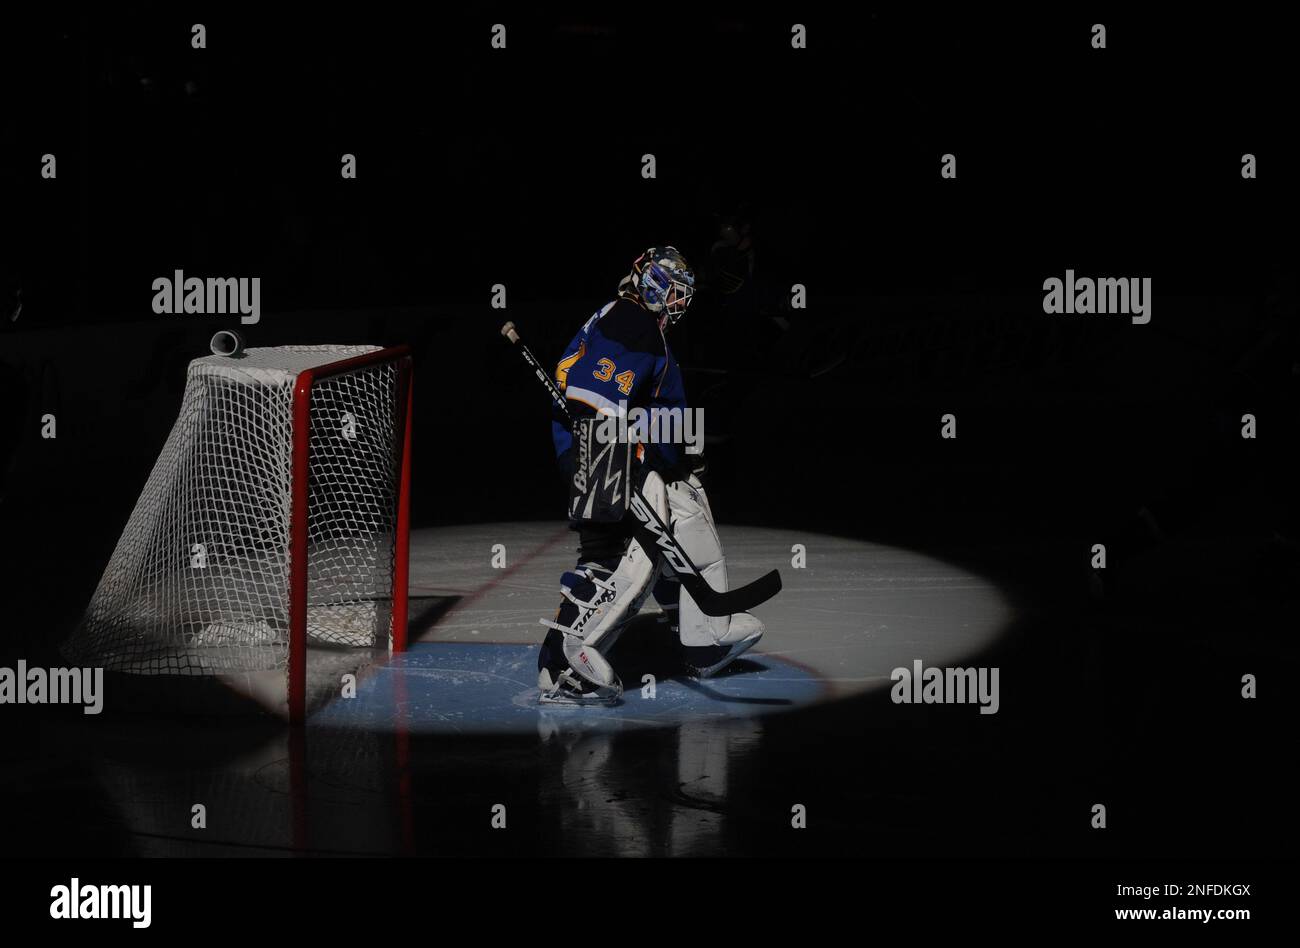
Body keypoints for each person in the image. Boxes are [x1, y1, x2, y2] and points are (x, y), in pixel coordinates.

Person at [538, 246, 764, 705]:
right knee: (619, 558)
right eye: (677, 291)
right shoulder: (632, 321)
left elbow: (649, 411)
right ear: (655, 284)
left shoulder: (633, 319)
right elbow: (594, 393)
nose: (682, 302)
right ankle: (562, 667)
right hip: (604, 452)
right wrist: (627, 454)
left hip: (610, 449)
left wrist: (672, 452)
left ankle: (698, 634)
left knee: (679, 519)